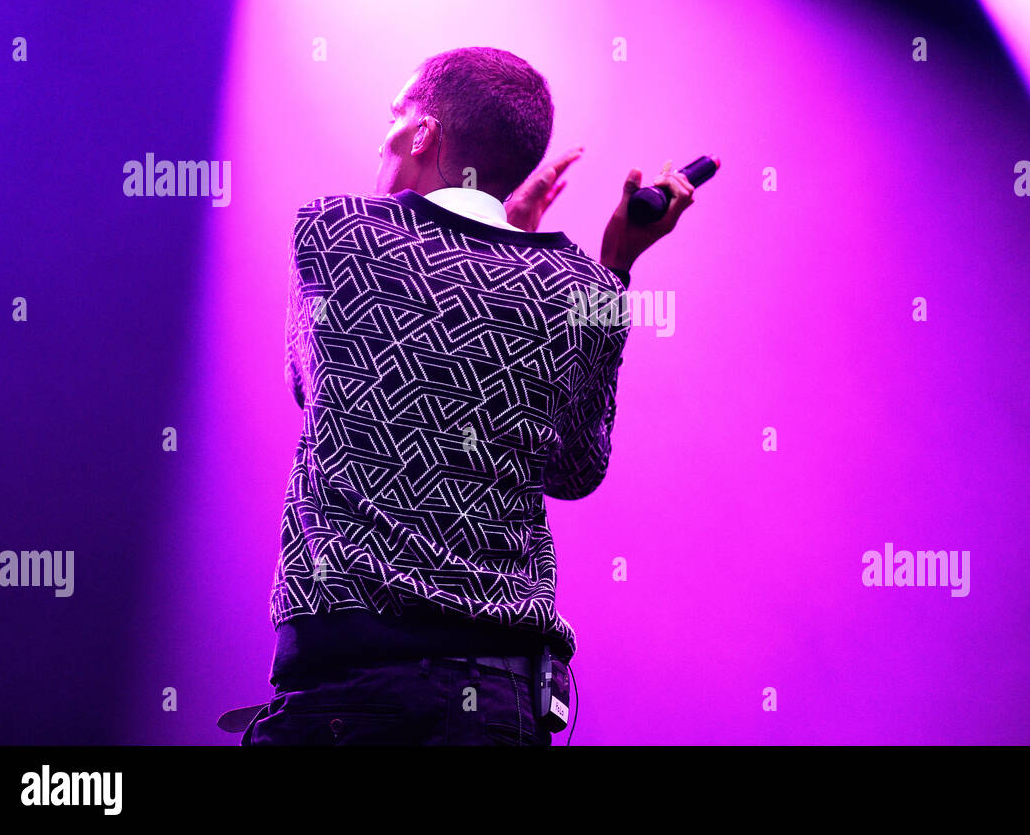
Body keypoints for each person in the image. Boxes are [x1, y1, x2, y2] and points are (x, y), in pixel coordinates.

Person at [241, 46, 713, 745]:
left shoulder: (332, 231)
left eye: (398, 116)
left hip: (348, 689)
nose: (385, 136)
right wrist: (610, 266)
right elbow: (575, 470)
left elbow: (316, 385)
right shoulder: (580, 288)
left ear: (426, 134)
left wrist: (484, 257)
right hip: (496, 699)